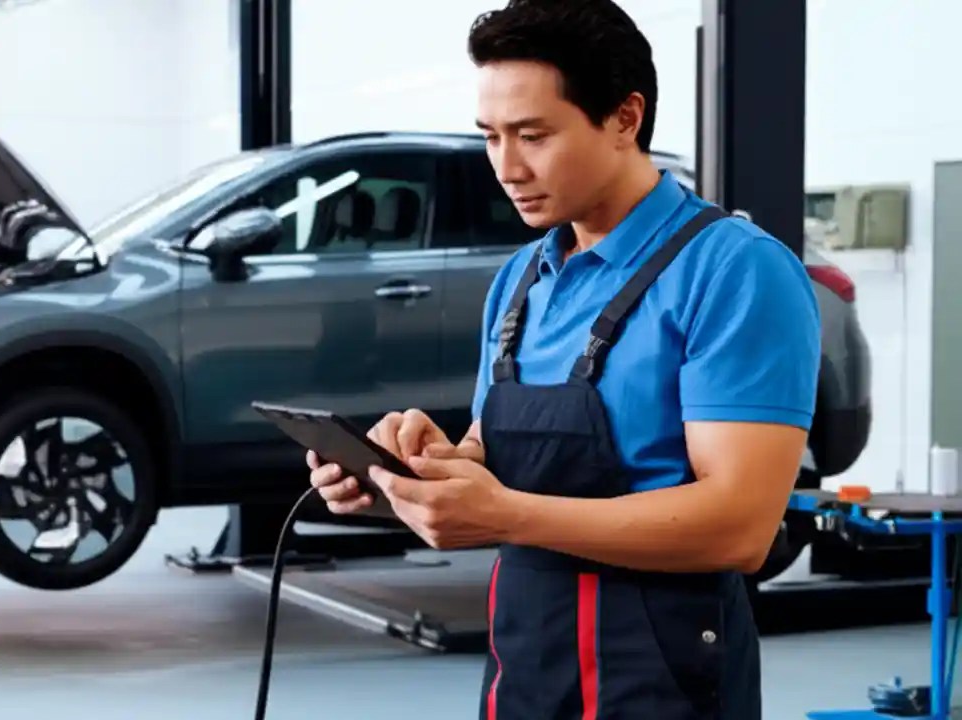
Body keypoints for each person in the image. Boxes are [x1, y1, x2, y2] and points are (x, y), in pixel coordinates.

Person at [306, 1, 821, 718]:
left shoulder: (734, 272)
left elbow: (741, 526)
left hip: (663, 684)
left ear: (624, 117)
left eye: (534, 135)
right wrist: (411, 474)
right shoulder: (521, 279)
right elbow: (495, 458)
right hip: (526, 673)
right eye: (490, 137)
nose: (507, 167)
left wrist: (506, 515)